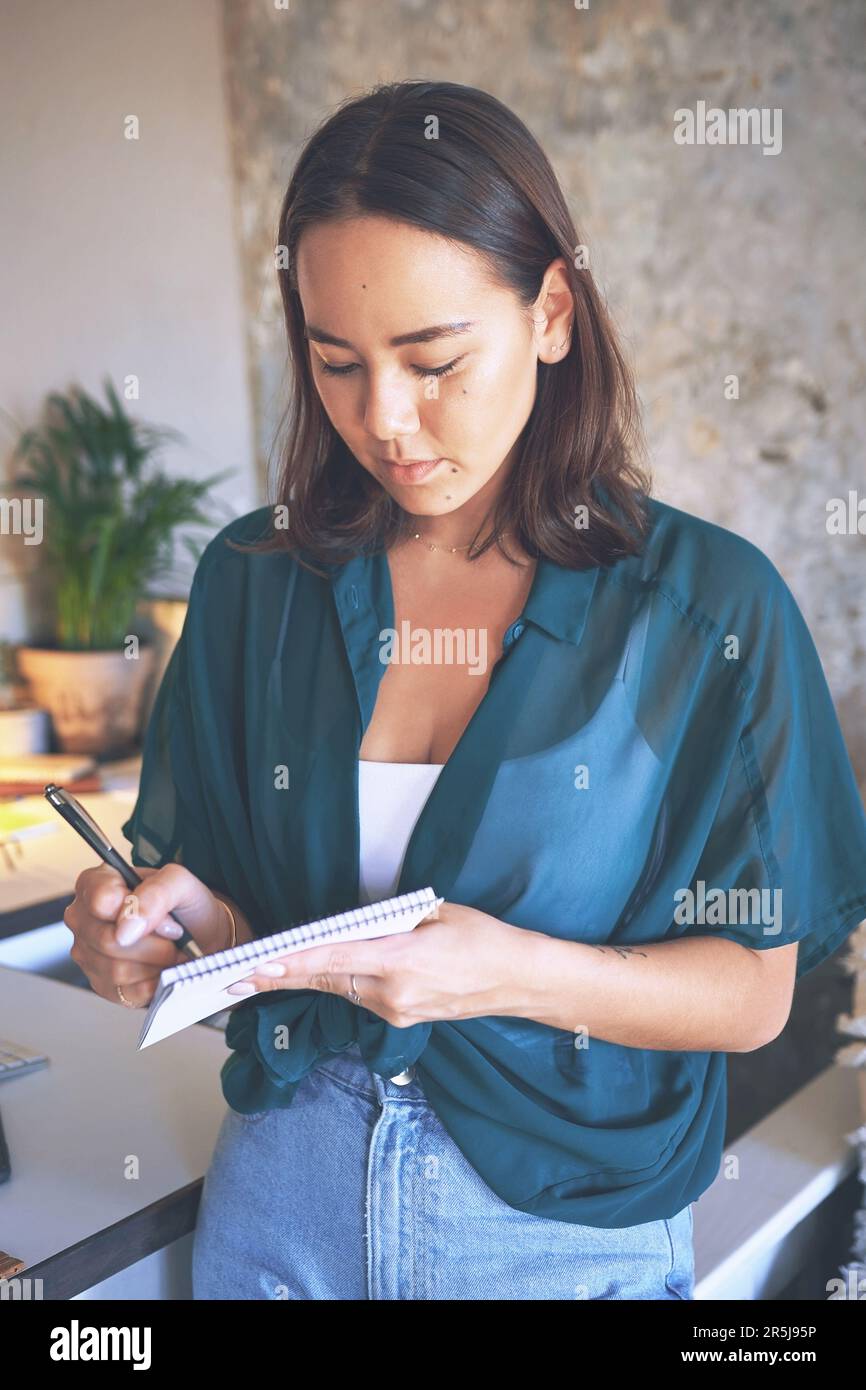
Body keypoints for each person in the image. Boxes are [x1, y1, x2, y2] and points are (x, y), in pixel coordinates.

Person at [65, 80, 866, 1301]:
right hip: (283, 1204)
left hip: (559, 1230)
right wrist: (165, 937)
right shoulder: (254, 582)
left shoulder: (705, 607)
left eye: (433, 360)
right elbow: (246, 929)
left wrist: (503, 971)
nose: (384, 420)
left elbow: (750, 994)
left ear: (550, 309)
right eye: (336, 363)